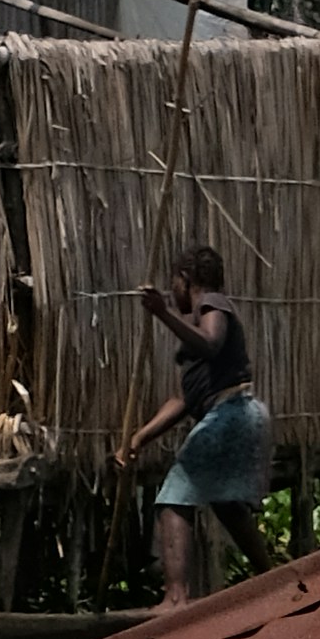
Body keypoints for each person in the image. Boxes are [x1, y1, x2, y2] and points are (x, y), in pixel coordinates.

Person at [132, 246, 274, 604]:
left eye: (173, 284)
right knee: (226, 504)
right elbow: (183, 400)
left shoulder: (212, 303)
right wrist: (138, 438)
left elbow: (211, 343)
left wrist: (163, 313)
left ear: (185, 279)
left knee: (172, 500)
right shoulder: (199, 321)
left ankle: (176, 599)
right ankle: (274, 579)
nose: (171, 292)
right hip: (242, 414)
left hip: (231, 414)